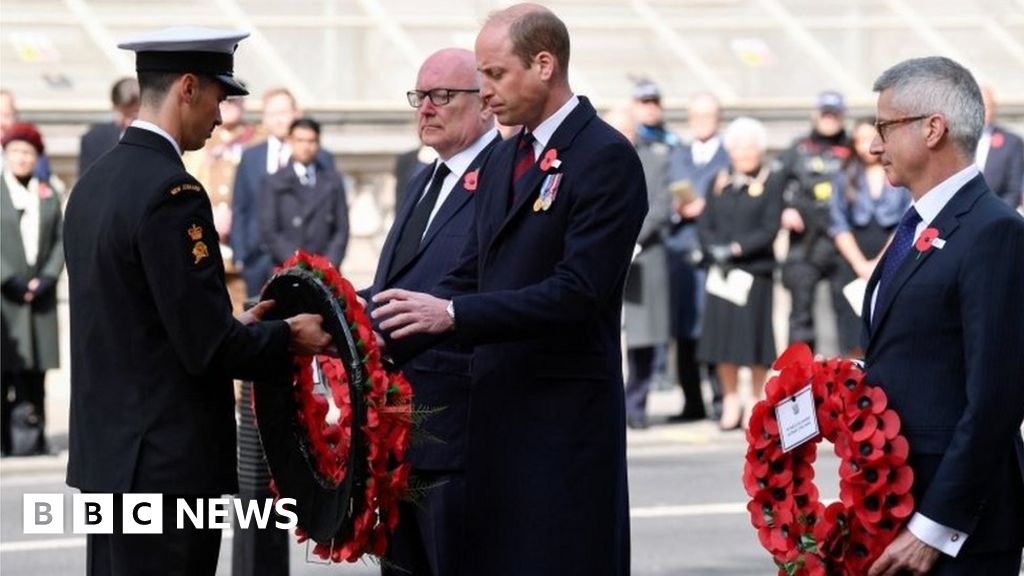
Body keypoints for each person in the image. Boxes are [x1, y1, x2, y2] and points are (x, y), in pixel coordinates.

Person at [371, 5, 646, 574]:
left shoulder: (604, 156)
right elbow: (468, 272)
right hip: (493, 420)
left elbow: (578, 292)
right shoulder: (506, 157)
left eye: (495, 74)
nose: (485, 89)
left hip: (561, 423)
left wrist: (453, 315)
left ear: (544, 64)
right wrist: (371, 338)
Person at [62, 27, 332, 576]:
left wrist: (237, 325)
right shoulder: (172, 191)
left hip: (112, 460)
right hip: (165, 468)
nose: (220, 115)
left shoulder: (95, 180)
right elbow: (207, 347)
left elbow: (147, 319)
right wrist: (288, 335)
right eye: (219, 96)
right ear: (188, 88)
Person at [862, 56, 1024, 576]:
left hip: (954, 532)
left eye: (884, 126)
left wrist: (934, 528)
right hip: (897, 508)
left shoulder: (993, 231)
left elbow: (996, 398)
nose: (872, 145)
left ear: (933, 129)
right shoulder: (916, 225)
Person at [363, 47, 498, 576]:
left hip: (454, 425)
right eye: (420, 96)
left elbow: (462, 288)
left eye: (443, 96)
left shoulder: (500, 179)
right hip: (400, 425)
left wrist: (365, 331)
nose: (427, 108)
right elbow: (397, 285)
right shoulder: (427, 177)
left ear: (485, 104)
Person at [695, 117, 782, 430]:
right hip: (722, 275)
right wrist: (713, 249)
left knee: (755, 342)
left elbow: (770, 227)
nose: (743, 153)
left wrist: (736, 249)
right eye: (737, 146)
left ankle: (753, 400)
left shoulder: (772, 181)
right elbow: (705, 223)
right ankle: (730, 399)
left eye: (749, 146)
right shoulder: (718, 181)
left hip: (754, 271)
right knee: (721, 340)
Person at [231, 87, 337, 298]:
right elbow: (240, 207)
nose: (279, 120)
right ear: (264, 118)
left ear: (296, 113)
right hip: (257, 260)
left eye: (284, 112)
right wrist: (241, 254)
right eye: (272, 114)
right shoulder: (251, 157)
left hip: (305, 260)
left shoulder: (321, 157)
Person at [666, 91, 731, 422]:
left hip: (715, 252)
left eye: (708, 116)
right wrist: (678, 209)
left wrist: (708, 208)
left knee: (715, 327)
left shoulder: (730, 156)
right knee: (684, 329)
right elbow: (663, 195)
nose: (702, 123)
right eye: (696, 116)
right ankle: (692, 402)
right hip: (680, 251)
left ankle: (722, 400)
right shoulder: (677, 155)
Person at [1, 122, 64, 457]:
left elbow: (60, 241)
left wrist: (49, 277)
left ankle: (34, 437)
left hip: (39, 298)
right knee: (4, 370)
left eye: (27, 153)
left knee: (36, 372)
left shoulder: (48, 192)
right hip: (5, 297)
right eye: (15, 152)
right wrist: (9, 278)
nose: (21, 159)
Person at [608, 107, 672, 430]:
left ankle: (636, 404)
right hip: (606, 255)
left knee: (644, 339)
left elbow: (661, 206)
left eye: (626, 129)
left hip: (644, 254)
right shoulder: (598, 157)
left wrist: (632, 237)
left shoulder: (657, 160)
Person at [776, 90, 853, 353]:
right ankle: (796, 380)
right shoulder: (797, 149)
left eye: (834, 114)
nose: (829, 119)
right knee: (800, 312)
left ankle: (849, 376)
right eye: (825, 113)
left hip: (844, 242)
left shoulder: (854, 148)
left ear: (843, 116)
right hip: (805, 242)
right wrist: (785, 209)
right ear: (815, 115)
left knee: (849, 311)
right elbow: (773, 187)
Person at [828, 118, 910, 358]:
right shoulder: (844, 177)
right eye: (858, 141)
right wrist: (860, 265)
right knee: (853, 332)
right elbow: (838, 223)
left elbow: (906, 220)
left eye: (870, 138)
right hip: (854, 259)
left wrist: (879, 263)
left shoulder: (900, 175)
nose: (865, 146)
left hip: (893, 254)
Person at [259, 117, 349, 268]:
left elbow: (341, 228)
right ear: (290, 141)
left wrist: (327, 264)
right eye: (300, 140)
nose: (306, 146)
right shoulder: (274, 182)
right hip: (287, 269)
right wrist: (297, 263)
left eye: (311, 141)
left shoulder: (332, 181)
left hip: (326, 270)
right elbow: (270, 230)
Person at [78, 77, 140, 175]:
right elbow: (85, 185)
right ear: (114, 108)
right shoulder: (93, 140)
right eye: (123, 115)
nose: (128, 123)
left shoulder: (157, 138)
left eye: (134, 117)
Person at [977, 86, 1023, 208]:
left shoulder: (1012, 143)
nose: (983, 111)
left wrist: (995, 215)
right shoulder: (954, 139)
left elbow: (1014, 190)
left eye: (987, 106)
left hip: (996, 215)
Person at [1, 89, 53, 182]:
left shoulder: (30, 145)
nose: (1, 122)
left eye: (6, 115)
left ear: (15, 116)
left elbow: (43, 180)